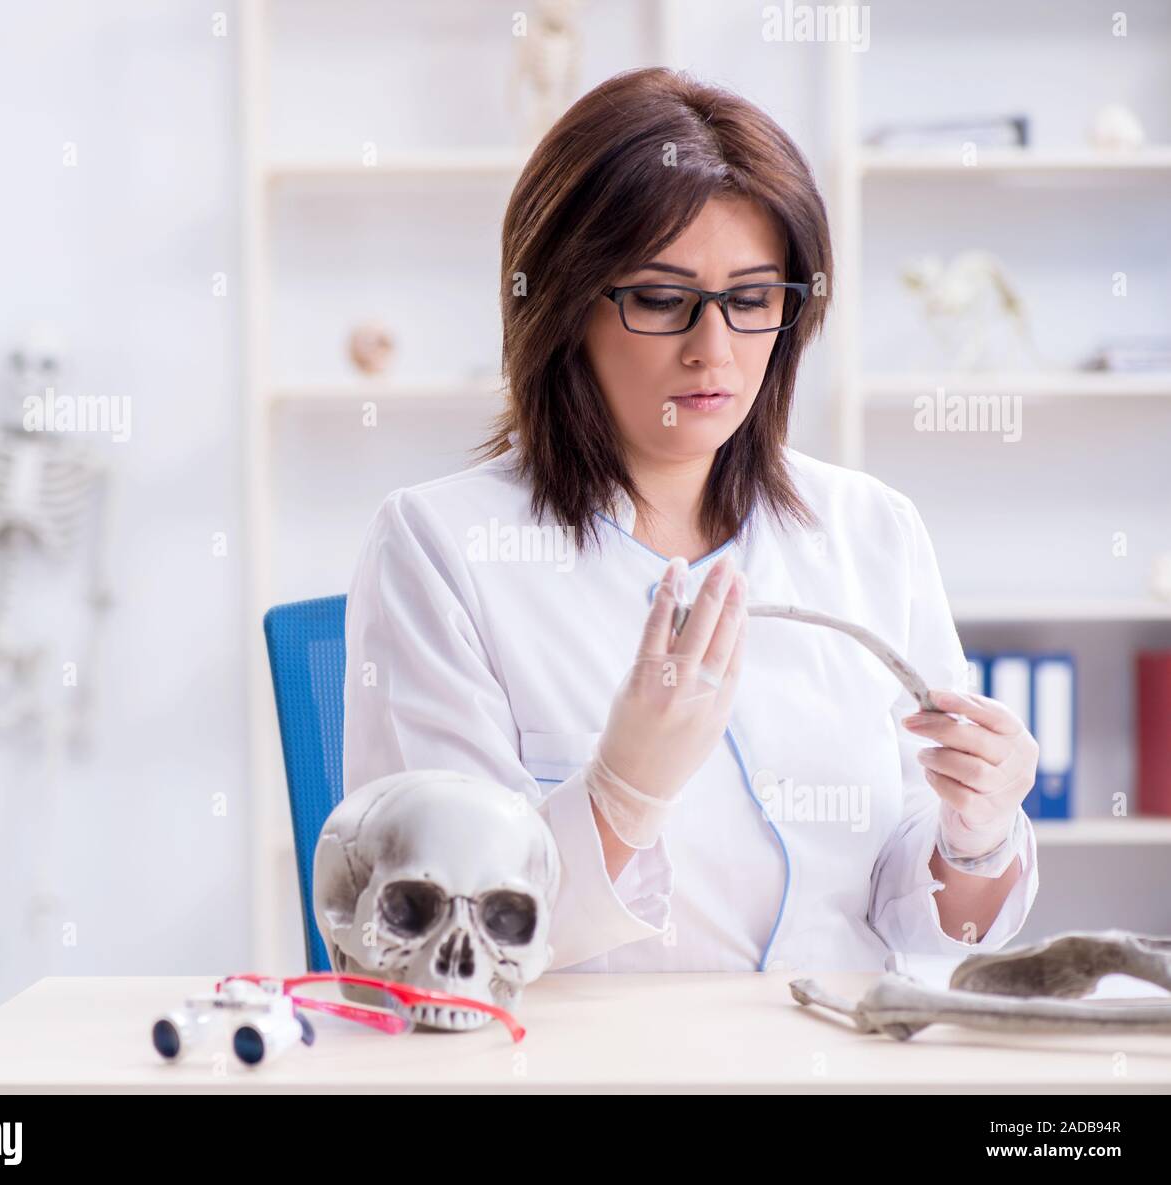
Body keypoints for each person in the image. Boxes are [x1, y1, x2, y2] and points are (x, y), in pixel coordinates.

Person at [341, 67, 1040, 973]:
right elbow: (435, 942)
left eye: (751, 299)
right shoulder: (440, 549)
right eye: (663, 299)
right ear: (562, 306)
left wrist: (975, 837)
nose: (714, 347)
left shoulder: (871, 529)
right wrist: (621, 793)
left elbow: (921, 921)